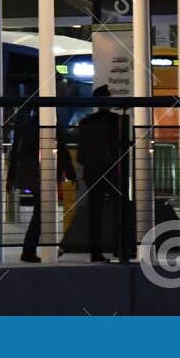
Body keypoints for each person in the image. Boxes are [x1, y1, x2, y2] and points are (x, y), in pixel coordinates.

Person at [8, 108, 77, 263]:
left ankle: (37, 249)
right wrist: (71, 174)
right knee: (41, 212)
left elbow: (15, 151)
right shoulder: (51, 124)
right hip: (42, 172)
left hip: (27, 172)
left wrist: (11, 177)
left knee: (41, 211)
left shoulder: (25, 125)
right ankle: (30, 249)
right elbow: (62, 150)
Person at [75, 86, 128, 263]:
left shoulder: (85, 122)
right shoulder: (118, 121)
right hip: (113, 170)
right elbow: (123, 147)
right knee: (120, 208)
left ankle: (95, 251)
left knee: (94, 211)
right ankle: (120, 247)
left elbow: (81, 153)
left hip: (93, 170)